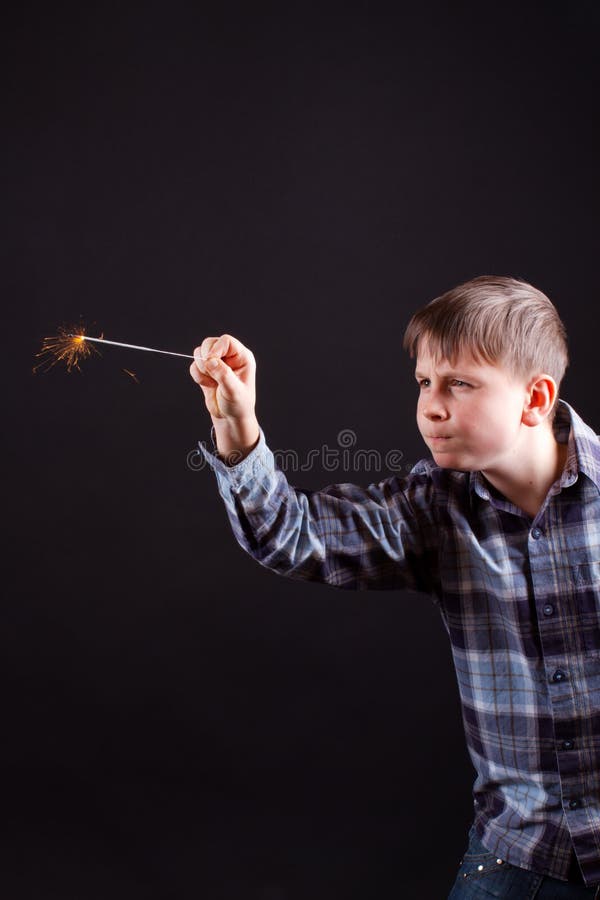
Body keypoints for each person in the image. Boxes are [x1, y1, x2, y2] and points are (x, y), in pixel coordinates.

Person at [189, 275, 600, 898]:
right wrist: (237, 424)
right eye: (424, 383)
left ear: (535, 398)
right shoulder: (432, 506)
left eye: (460, 383)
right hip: (519, 860)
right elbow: (291, 535)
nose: (431, 405)